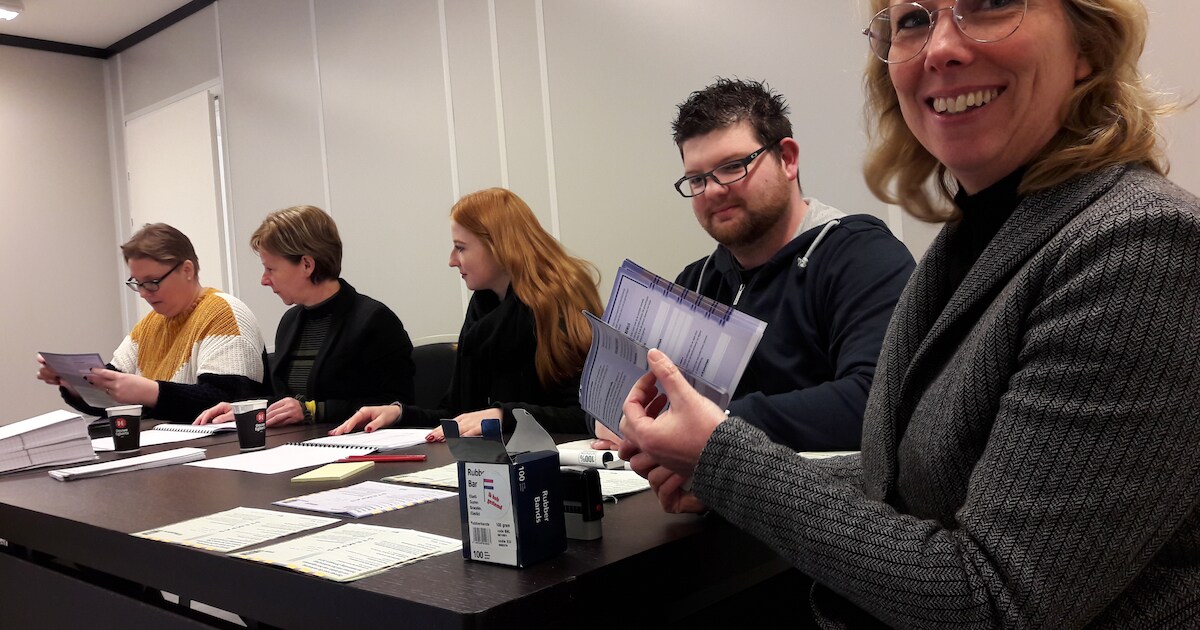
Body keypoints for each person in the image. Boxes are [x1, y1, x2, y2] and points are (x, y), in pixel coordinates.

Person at [618, 0, 1200, 626]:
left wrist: (723, 457)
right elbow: (902, 479)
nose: (940, 48)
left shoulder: (1143, 244)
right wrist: (714, 472)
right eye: (913, 20)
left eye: (990, 4)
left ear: (1086, 45)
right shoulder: (975, 238)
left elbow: (994, 601)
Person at [596, 78, 915, 452]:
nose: (713, 190)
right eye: (697, 179)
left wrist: (716, 429)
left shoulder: (862, 256)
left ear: (788, 159)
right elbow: (653, 400)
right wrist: (630, 420)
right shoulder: (696, 282)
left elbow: (874, 401)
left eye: (733, 166)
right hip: (703, 499)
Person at [330, 187, 602, 440]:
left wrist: (504, 416)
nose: (451, 260)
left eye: (460, 247)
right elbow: (459, 415)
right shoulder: (484, 308)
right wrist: (400, 413)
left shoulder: (557, 305)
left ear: (499, 246)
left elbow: (586, 419)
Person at [194, 205, 415, 427]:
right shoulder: (290, 322)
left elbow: (396, 405)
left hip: (354, 449)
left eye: (271, 269)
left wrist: (314, 411)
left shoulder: (375, 321)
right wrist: (247, 408)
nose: (264, 279)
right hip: (298, 446)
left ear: (307, 265)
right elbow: (287, 402)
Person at [36, 223, 266, 423]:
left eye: (152, 282)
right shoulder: (149, 325)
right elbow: (110, 399)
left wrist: (151, 393)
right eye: (138, 283)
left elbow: (230, 402)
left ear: (187, 269)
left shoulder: (223, 314)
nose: (144, 294)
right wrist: (74, 384)